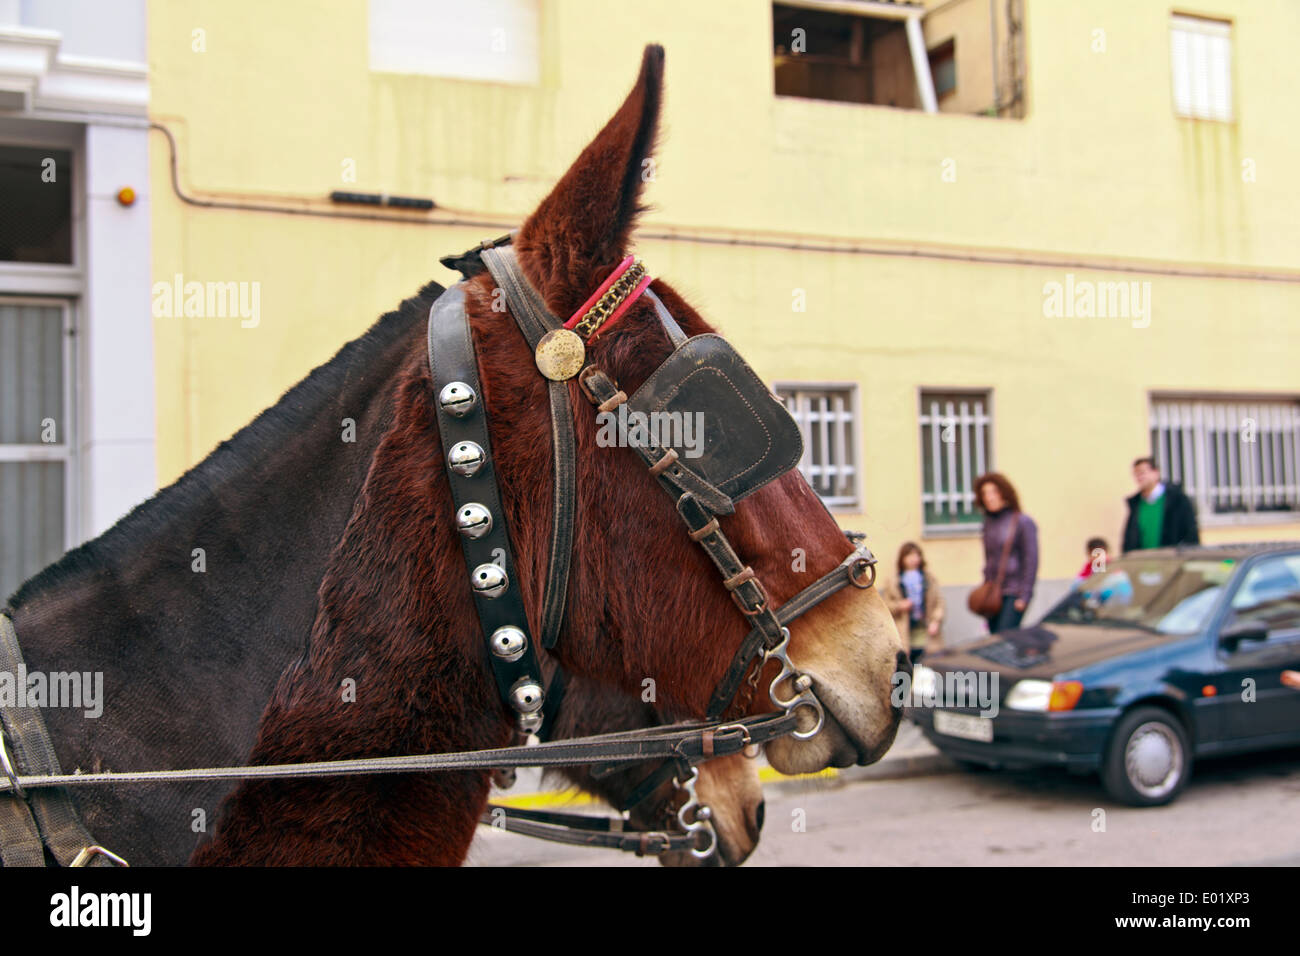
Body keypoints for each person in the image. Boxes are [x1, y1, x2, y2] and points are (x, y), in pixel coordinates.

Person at [974, 472, 1039, 634]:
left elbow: (1031, 561)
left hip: (1014, 592)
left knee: (1005, 637)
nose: (989, 497)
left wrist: (1025, 595)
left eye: (993, 492)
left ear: (1004, 493)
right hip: (993, 593)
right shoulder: (988, 523)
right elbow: (989, 560)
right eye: (984, 493)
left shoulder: (1022, 522)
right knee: (994, 641)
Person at [882, 542, 945, 664]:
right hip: (904, 635)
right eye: (909, 556)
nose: (914, 560)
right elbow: (885, 606)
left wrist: (936, 621)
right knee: (907, 672)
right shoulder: (893, 580)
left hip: (927, 634)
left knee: (928, 671)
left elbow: (939, 602)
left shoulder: (928, 578)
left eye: (917, 556)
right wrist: (900, 606)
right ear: (902, 558)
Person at [1121, 457, 1199, 553]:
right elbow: (1130, 538)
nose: (1139, 477)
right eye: (1136, 474)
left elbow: (1190, 533)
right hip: (1143, 562)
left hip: (1171, 560)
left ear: (1156, 473)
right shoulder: (1135, 503)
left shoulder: (1177, 499)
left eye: (1142, 472)